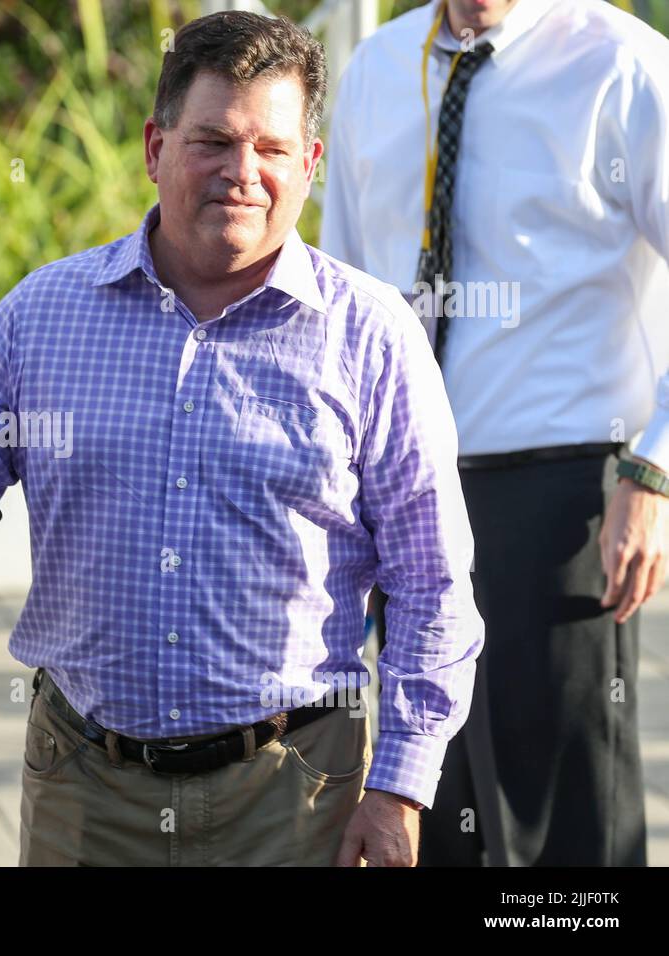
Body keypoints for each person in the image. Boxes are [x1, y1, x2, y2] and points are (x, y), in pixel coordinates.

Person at [0, 11, 482, 867]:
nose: (243, 174)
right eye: (212, 141)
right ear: (153, 147)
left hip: (294, 796)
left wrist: (397, 788)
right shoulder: (41, 318)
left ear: (310, 165)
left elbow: (432, 584)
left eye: (273, 149)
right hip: (84, 792)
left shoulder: (372, 335)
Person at [321, 0, 668, 866]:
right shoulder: (375, 68)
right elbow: (345, 303)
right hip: (405, 488)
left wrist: (656, 467)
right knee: (426, 800)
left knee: (561, 827)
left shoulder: (625, 64)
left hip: (564, 491)